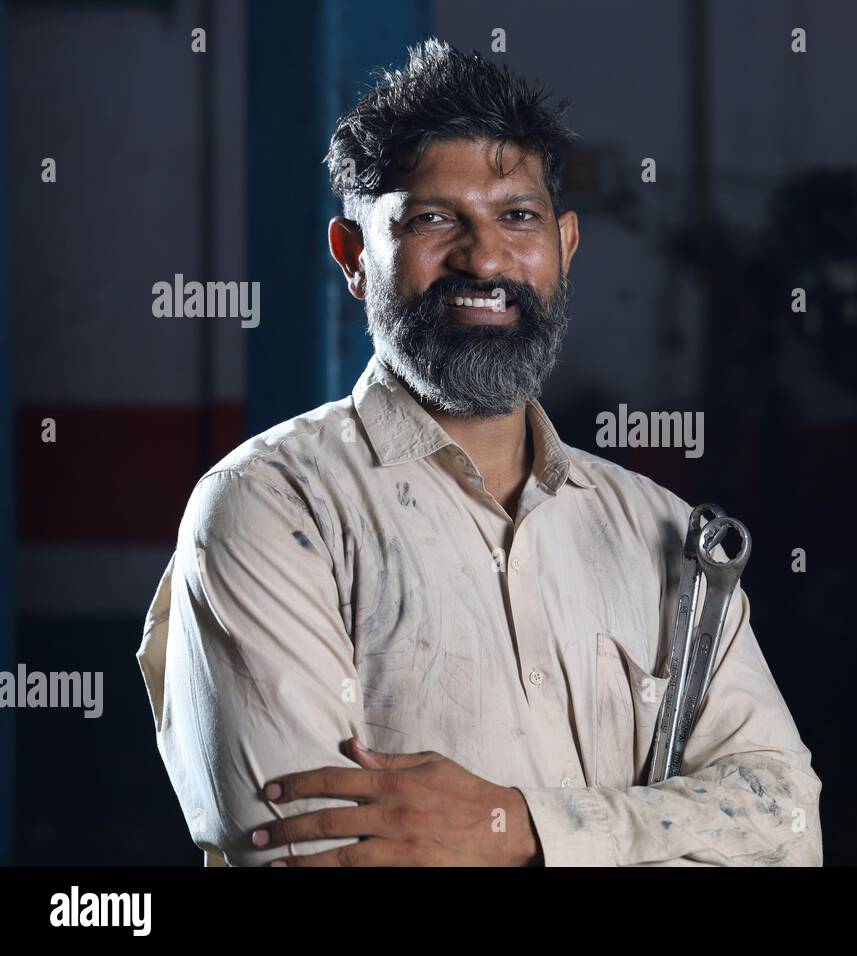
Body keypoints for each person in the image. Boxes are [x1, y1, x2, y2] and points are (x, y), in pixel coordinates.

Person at [136, 37, 822, 867]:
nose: (486, 258)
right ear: (354, 257)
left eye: (517, 216)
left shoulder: (661, 529)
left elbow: (783, 821)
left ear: (565, 246)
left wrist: (520, 827)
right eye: (432, 219)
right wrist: (652, 833)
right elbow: (323, 855)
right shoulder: (273, 509)